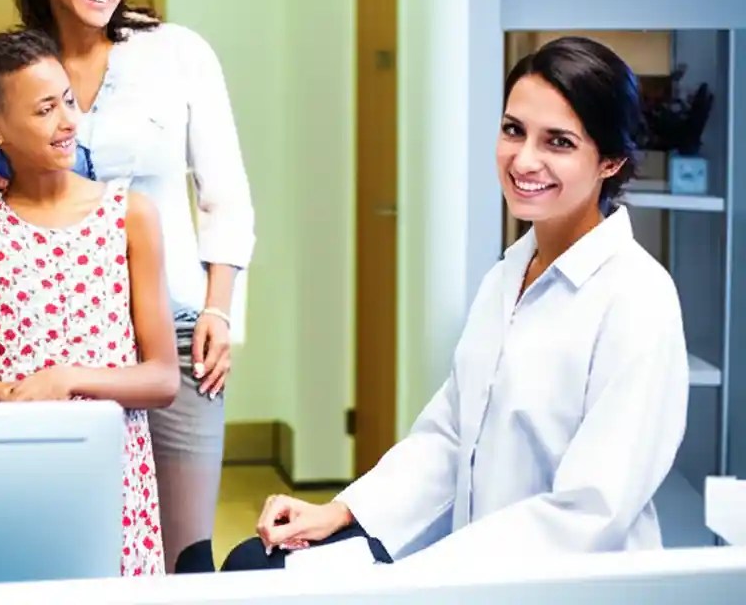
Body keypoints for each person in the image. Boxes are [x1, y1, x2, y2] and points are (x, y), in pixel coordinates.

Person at [223, 36, 690, 571]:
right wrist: (343, 510)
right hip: (466, 564)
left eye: (558, 142)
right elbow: (450, 436)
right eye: (514, 130)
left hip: (554, 580)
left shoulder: (637, 299)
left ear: (610, 162)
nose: (524, 159)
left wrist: (425, 575)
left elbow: (589, 514)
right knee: (253, 562)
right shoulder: (508, 275)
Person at [0, 0, 255, 573]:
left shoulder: (177, 54)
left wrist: (218, 308)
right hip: (45, 344)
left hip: (171, 337)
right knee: (58, 555)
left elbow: (226, 197)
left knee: (182, 555)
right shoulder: (12, 67)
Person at [0, 27, 180, 576]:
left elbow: (162, 379)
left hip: (116, 471)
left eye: (68, 100)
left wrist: (67, 379)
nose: (68, 121)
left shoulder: (131, 214)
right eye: (45, 109)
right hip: (19, 467)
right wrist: (22, 400)